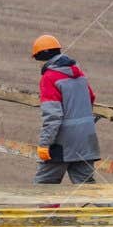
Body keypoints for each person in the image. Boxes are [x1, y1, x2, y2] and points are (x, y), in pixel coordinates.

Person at [30, 34, 99, 184]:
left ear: (42, 58)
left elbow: (53, 117)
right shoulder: (79, 73)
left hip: (62, 144)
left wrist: (44, 144)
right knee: (89, 189)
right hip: (86, 141)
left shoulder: (49, 77)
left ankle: (51, 209)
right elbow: (91, 98)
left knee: (45, 187)